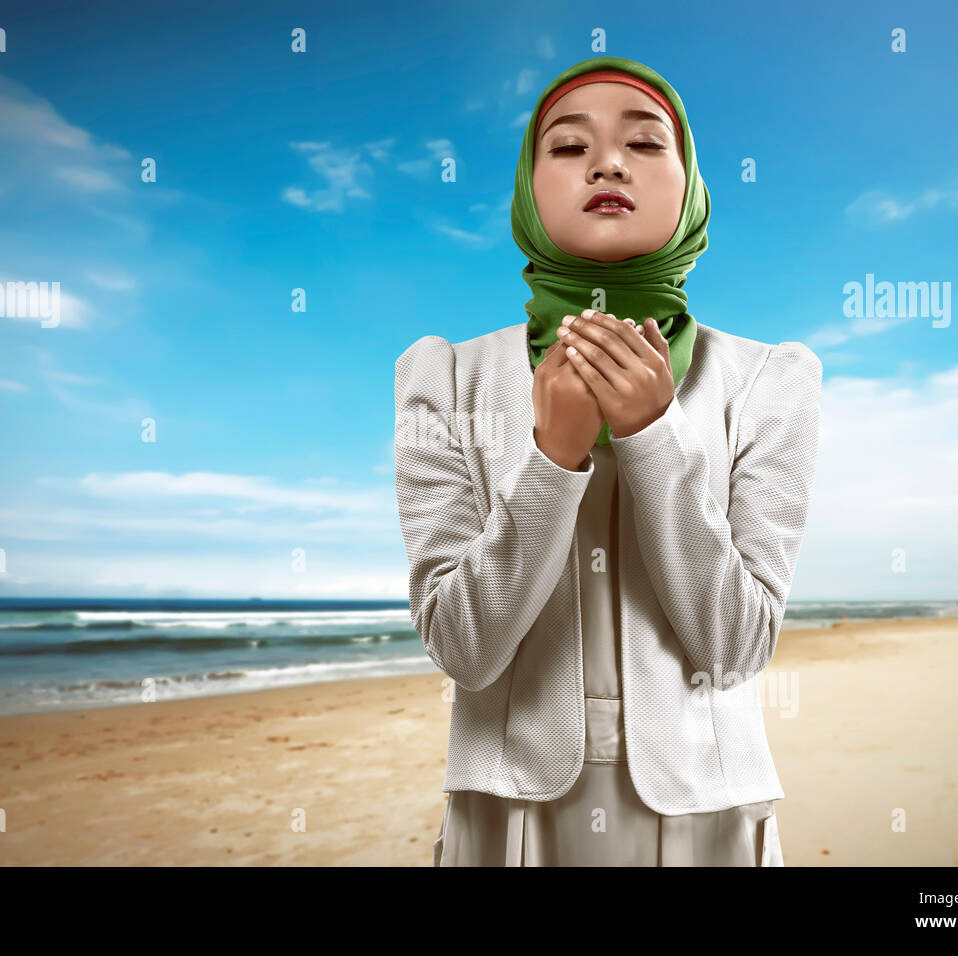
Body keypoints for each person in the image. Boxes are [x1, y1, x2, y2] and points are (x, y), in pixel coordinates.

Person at [394, 56, 822, 866]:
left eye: (646, 143)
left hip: (710, 817)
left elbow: (734, 648)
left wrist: (652, 433)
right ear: (527, 190)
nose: (608, 163)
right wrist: (552, 460)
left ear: (690, 186)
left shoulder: (771, 379)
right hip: (509, 820)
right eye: (566, 146)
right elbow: (463, 650)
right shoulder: (444, 377)